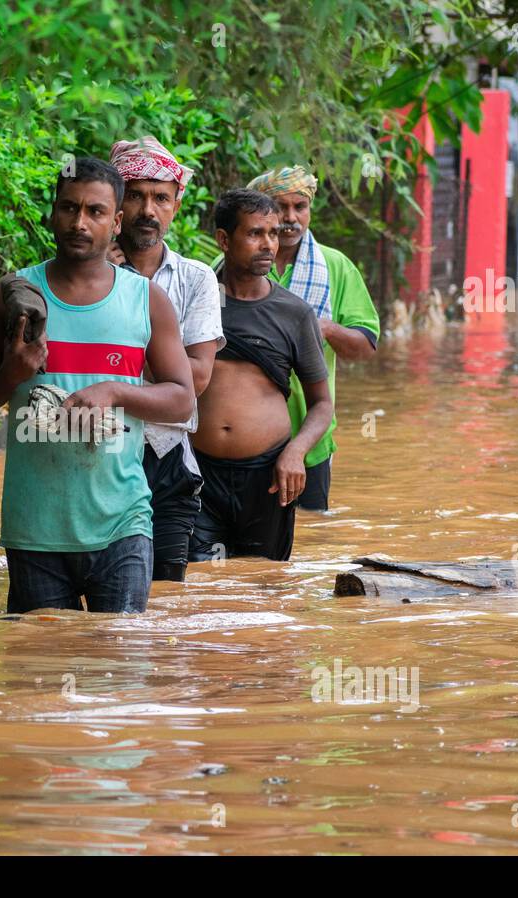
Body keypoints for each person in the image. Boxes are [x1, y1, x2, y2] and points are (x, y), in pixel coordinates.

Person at [0, 156, 194, 613]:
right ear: (52, 213)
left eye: (95, 211)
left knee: (121, 667)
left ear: (117, 222)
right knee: (41, 671)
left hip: (122, 522)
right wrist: (12, 373)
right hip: (35, 527)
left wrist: (116, 391)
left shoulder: (146, 300)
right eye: (69, 208)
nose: (79, 222)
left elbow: (182, 400)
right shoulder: (12, 294)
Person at [189, 189, 332, 562]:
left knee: (264, 589)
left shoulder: (294, 313)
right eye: (255, 234)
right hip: (198, 474)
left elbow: (322, 405)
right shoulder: (194, 302)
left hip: (269, 479)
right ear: (224, 239)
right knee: (197, 591)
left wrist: (295, 453)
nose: (269, 244)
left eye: (273, 233)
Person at [106, 135, 223, 583]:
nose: (147, 211)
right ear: (116, 204)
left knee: (166, 599)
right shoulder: (82, 278)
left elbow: (195, 380)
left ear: (176, 205)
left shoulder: (197, 280)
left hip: (169, 458)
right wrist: (108, 279)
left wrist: (131, 298)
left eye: (160, 198)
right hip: (99, 453)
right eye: (135, 196)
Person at [245, 165, 381, 510]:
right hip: (243, 440)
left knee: (309, 545)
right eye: (279, 207)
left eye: (300, 207)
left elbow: (365, 349)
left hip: (309, 441)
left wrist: (324, 328)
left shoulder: (335, 267)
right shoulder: (231, 265)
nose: (290, 218)